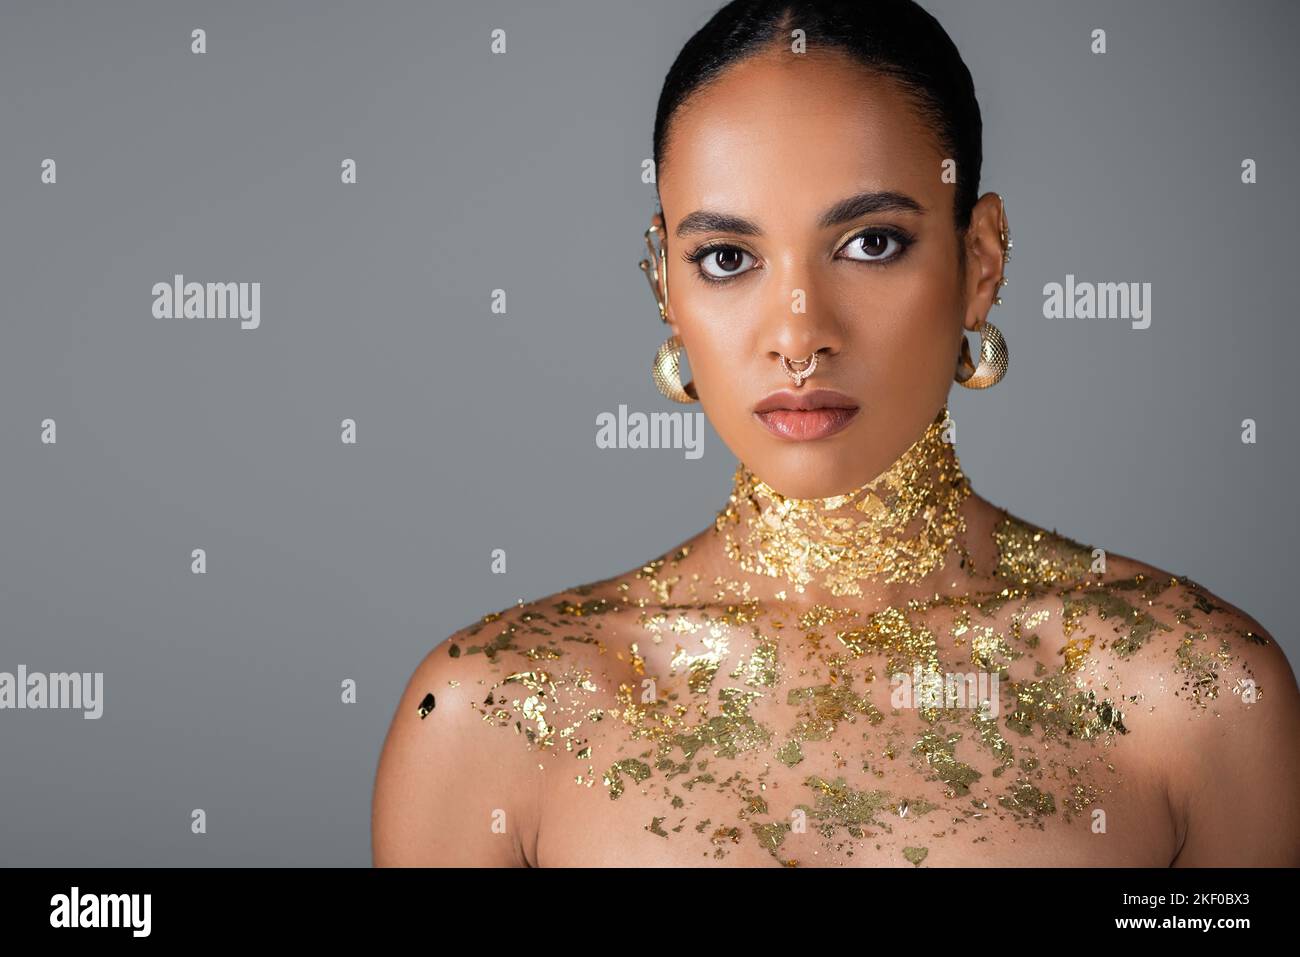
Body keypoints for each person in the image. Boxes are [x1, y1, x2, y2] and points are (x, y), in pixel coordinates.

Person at [372, 0, 1300, 867]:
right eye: (728, 259)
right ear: (665, 283)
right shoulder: (493, 709)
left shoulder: (1194, 691)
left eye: (870, 243)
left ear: (980, 262)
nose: (799, 331)